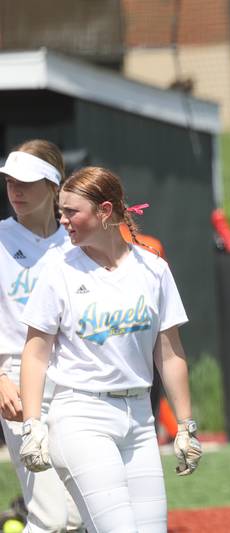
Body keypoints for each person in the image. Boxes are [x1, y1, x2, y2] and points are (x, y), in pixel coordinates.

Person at [18, 167, 203, 532]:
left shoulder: (153, 269)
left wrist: (186, 425)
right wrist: (32, 423)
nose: (63, 220)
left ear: (104, 211)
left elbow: (169, 352)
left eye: (72, 212)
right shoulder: (58, 271)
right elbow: (35, 352)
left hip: (138, 419)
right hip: (80, 416)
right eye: (61, 211)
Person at [0, 140, 84, 532]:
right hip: (16, 378)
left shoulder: (77, 242)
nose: (15, 190)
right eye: (9, 180)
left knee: (75, 517)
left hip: (75, 380)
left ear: (54, 186)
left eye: (27, 182)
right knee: (50, 518)